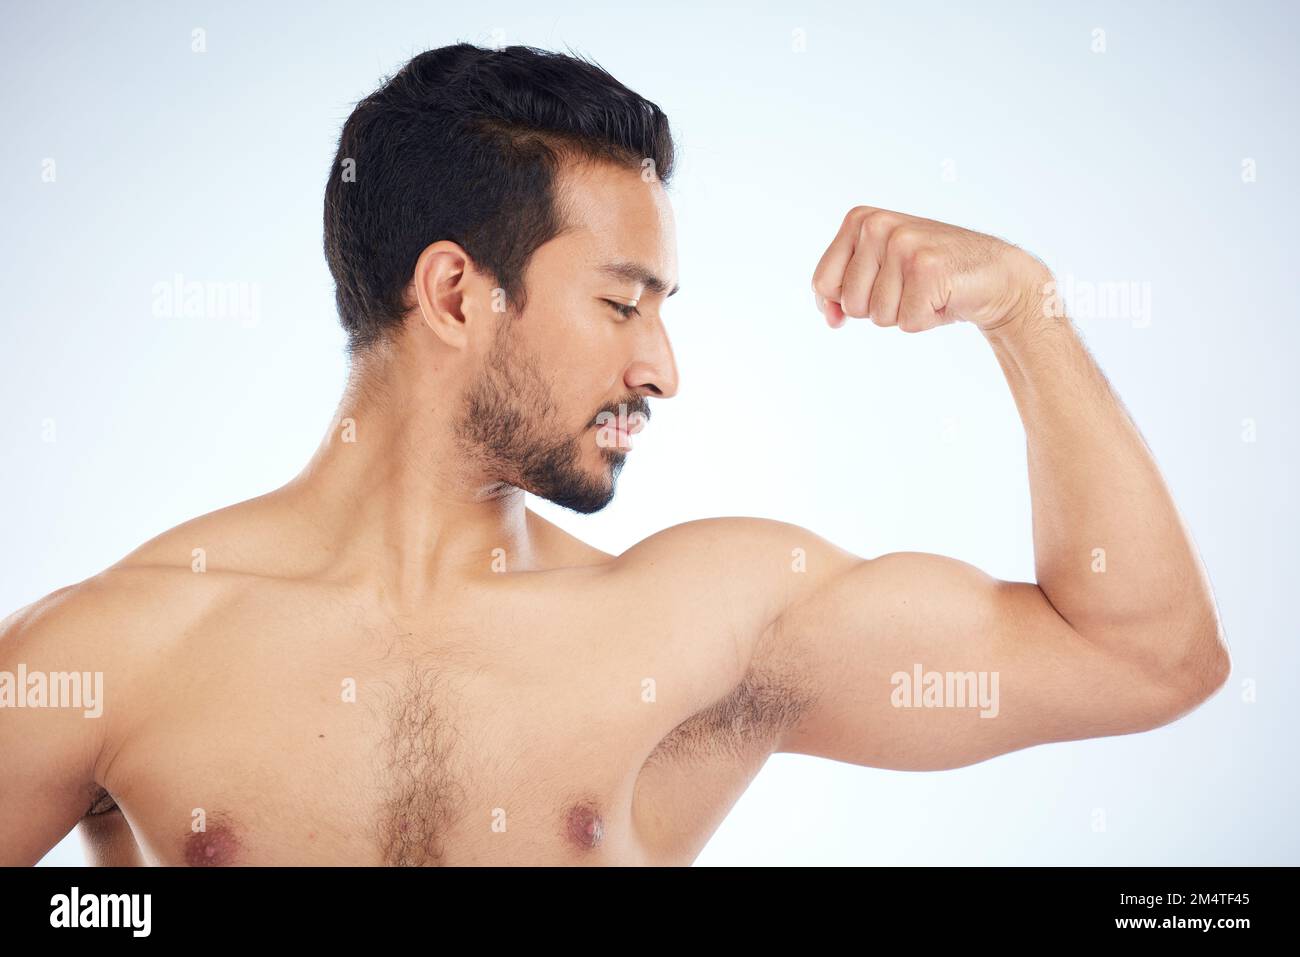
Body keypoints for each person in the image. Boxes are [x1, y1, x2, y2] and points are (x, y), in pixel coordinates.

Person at [0, 43, 1229, 866]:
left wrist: (1025, 310)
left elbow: (1142, 660)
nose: (663, 368)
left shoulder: (698, 624)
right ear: (454, 292)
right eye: (623, 304)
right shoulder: (116, 650)